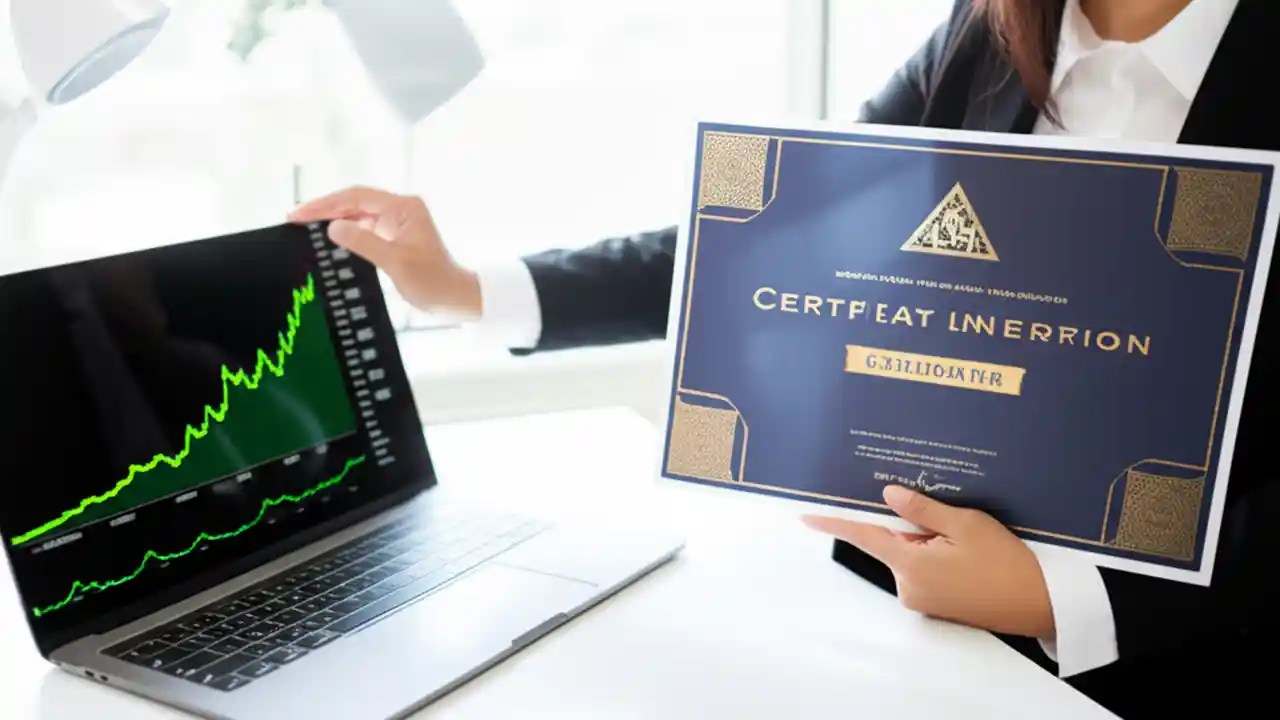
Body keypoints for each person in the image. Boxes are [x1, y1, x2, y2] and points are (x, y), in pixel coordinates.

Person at [291, 0, 1277, 716]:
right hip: (905, 630)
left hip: (1161, 662)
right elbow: (772, 232)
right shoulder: (985, 34)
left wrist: (1063, 599)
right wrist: (469, 285)